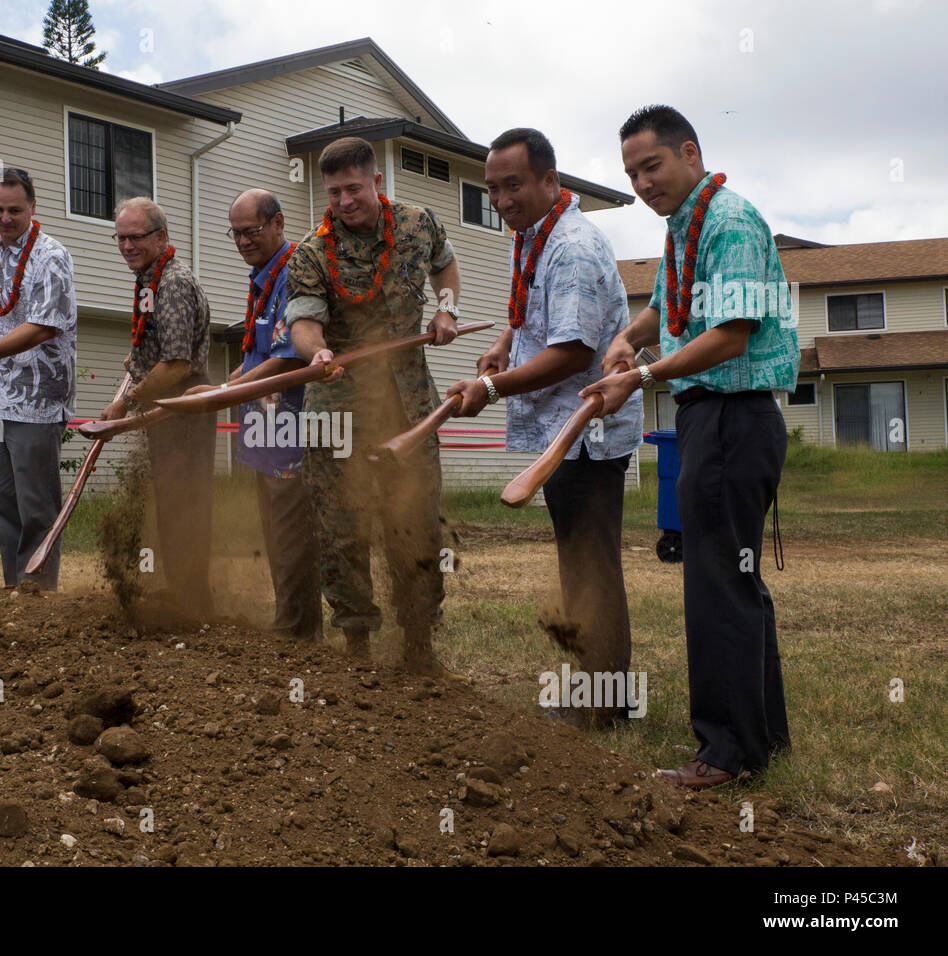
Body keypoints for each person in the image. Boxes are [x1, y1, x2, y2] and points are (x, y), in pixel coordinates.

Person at [581, 105, 799, 787]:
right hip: (713, 418)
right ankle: (762, 736)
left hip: (733, 416)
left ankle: (727, 753)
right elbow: (668, 310)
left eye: (652, 165)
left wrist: (640, 375)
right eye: (631, 173)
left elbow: (729, 335)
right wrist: (631, 336)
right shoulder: (684, 227)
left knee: (716, 585)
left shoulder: (728, 222)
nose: (643, 183)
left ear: (690, 153)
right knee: (733, 578)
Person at [446, 128, 643, 727]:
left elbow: (569, 352)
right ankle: (601, 695)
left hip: (587, 430)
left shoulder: (574, 247)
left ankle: (601, 707)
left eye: (514, 185)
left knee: (590, 564)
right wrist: (504, 345)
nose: (502, 200)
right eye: (493, 189)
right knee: (580, 559)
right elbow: (532, 315)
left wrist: (490, 388)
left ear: (549, 182)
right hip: (563, 432)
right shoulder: (535, 237)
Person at [286, 136, 462, 676]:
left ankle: (418, 644)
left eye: (353, 188)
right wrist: (318, 354)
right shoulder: (311, 253)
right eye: (334, 192)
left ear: (377, 182)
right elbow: (303, 326)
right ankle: (357, 644)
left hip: (408, 405)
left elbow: (445, 269)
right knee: (341, 529)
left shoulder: (418, 223)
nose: (343, 201)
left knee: (414, 522)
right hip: (335, 409)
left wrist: (446, 310)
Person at [0, 167, 77, 591]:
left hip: (41, 397)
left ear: (33, 207)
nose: (5, 218)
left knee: (35, 502)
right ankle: (14, 585)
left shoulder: (51, 256)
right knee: (4, 499)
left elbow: (44, 325)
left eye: (14, 210)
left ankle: (38, 589)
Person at [100, 197, 215, 616]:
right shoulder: (149, 280)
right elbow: (157, 354)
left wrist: (127, 403)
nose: (127, 245)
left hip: (184, 404)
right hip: (167, 404)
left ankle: (194, 600)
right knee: (170, 501)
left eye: (136, 237)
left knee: (185, 502)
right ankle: (184, 593)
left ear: (161, 237)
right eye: (121, 237)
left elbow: (177, 364)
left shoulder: (172, 284)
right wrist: (136, 366)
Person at [227, 188, 323, 643]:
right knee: (274, 532)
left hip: (292, 429)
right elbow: (255, 356)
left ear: (279, 223)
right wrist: (221, 386)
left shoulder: (293, 273)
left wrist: (225, 391)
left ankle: (297, 631)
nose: (244, 241)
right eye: (237, 233)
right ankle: (289, 620)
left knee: (291, 535)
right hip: (262, 430)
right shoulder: (261, 277)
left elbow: (288, 359)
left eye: (253, 231)